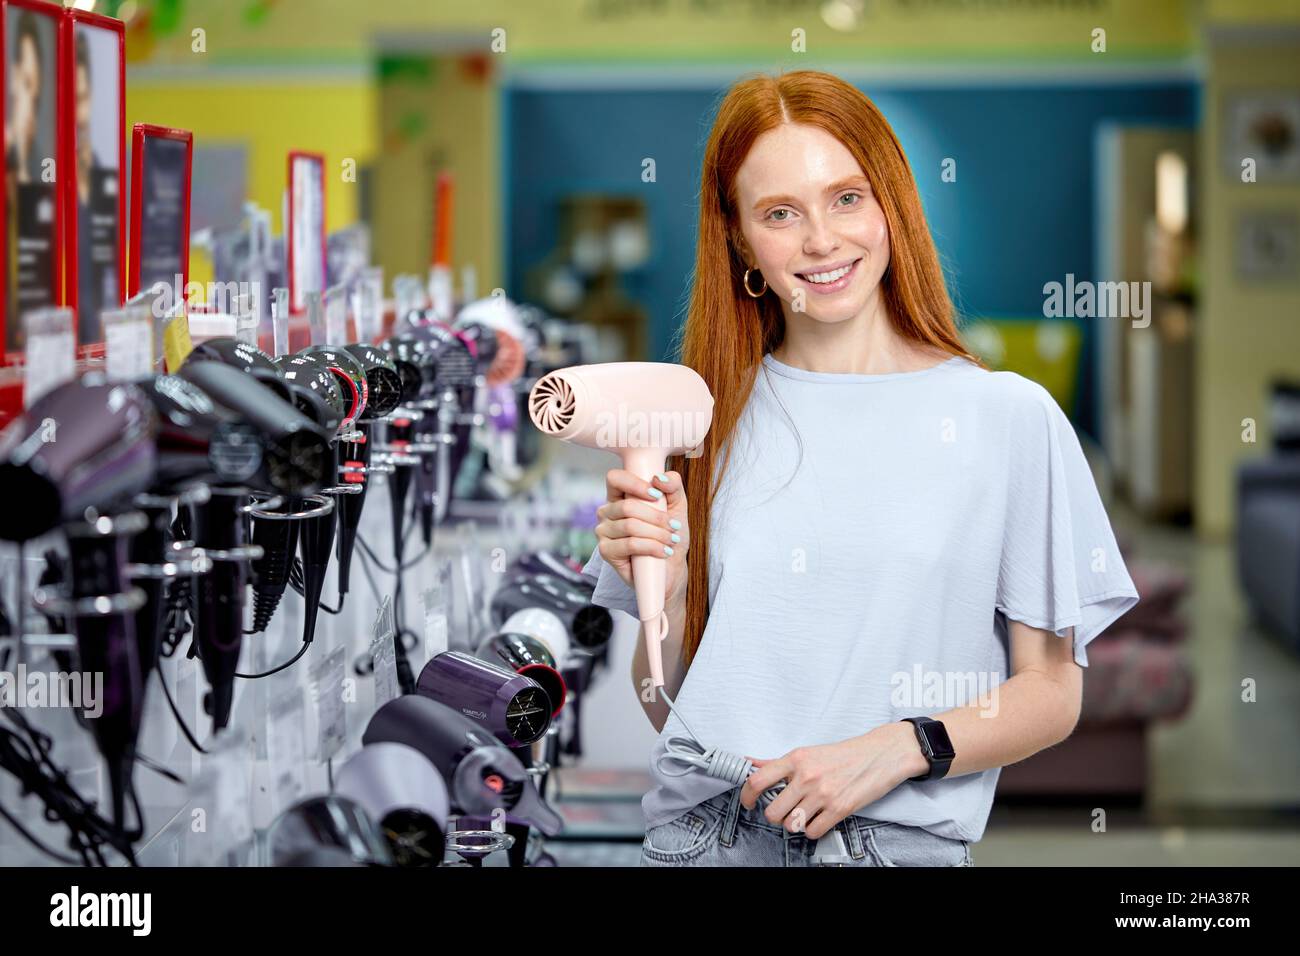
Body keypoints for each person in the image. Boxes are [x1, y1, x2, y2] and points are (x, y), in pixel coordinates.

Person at [580, 70, 1140, 867]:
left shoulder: (1008, 419)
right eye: (781, 213)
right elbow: (663, 704)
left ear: (891, 204)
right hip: (702, 841)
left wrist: (899, 748)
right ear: (739, 238)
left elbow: (1051, 693)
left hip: (894, 847)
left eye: (847, 198)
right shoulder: (694, 425)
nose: (822, 241)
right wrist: (665, 592)